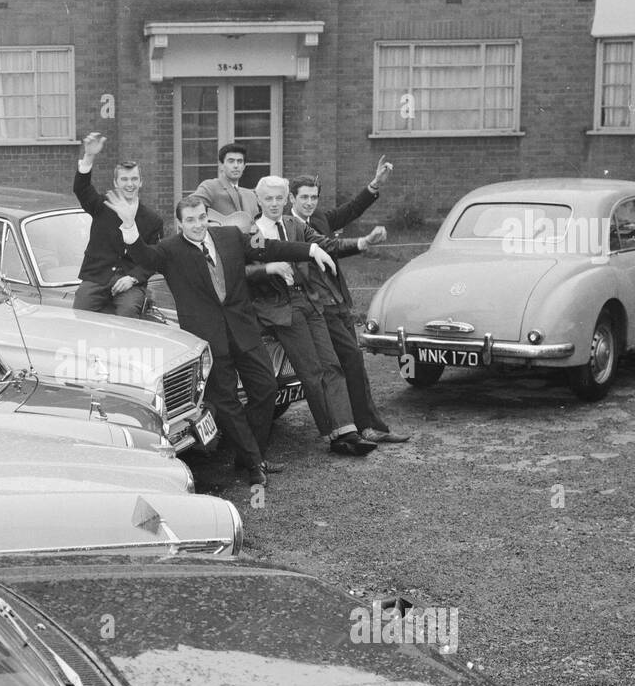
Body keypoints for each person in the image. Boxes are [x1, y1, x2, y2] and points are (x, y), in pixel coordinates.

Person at [103, 189, 336, 486]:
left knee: (265, 388)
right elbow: (143, 256)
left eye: (202, 217)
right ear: (180, 225)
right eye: (190, 220)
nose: (198, 225)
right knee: (226, 401)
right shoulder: (168, 250)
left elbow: (270, 248)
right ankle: (253, 462)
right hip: (208, 338)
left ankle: (249, 453)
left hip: (244, 330)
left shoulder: (230, 237)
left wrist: (310, 250)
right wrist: (128, 226)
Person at [244, 177, 377, 456]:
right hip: (278, 308)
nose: (274, 204)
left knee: (332, 365)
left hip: (307, 302)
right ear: (258, 200)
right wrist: (269, 269)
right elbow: (241, 273)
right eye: (268, 199)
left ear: (286, 200)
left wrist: (361, 243)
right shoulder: (251, 231)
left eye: (279, 198)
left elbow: (326, 245)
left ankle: (347, 431)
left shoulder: (295, 226)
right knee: (312, 371)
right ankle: (334, 434)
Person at [289, 160, 410, 444]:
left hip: (339, 302)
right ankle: (359, 427)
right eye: (304, 197)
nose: (309, 203)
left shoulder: (318, 219)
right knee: (349, 361)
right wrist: (363, 242)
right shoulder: (288, 227)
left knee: (351, 363)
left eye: (313, 197)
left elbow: (351, 209)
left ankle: (360, 426)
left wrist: (375, 184)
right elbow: (328, 246)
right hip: (317, 308)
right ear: (292, 198)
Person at [71, 131, 163, 317]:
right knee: (80, 314)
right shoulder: (102, 206)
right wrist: (89, 155)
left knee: (129, 312)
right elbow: (81, 189)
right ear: (116, 182)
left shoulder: (153, 220)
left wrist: (133, 278)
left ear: (141, 182)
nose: (130, 184)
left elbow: (153, 260)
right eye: (124, 179)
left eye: (134, 179)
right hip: (96, 277)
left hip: (129, 282)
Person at [194, 143, 259, 233]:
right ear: (221, 165)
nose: (236, 165)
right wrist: (210, 228)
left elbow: (256, 228)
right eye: (231, 161)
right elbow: (187, 209)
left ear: (244, 166)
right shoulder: (210, 187)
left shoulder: (251, 196)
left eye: (239, 161)